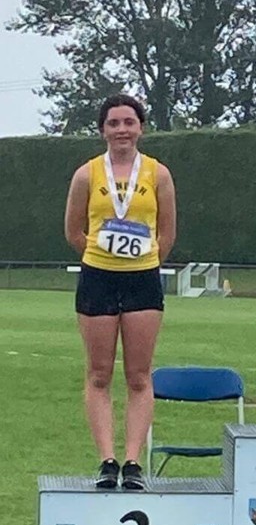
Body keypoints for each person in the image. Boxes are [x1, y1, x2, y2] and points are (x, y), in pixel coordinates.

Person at [64, 94, 176, 490]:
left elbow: (167, 232)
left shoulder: (158, 174)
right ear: (102, 130)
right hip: (98, 278)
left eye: (129, 122)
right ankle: (107, 460)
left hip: (142, 280)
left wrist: (142, 258)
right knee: (98, 373)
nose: (122, 130)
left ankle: (133, 462)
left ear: (141, 127)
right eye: (114, 123)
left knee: (139, 375)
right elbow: (74, 230)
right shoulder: (87, 175)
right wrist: (102, 255)